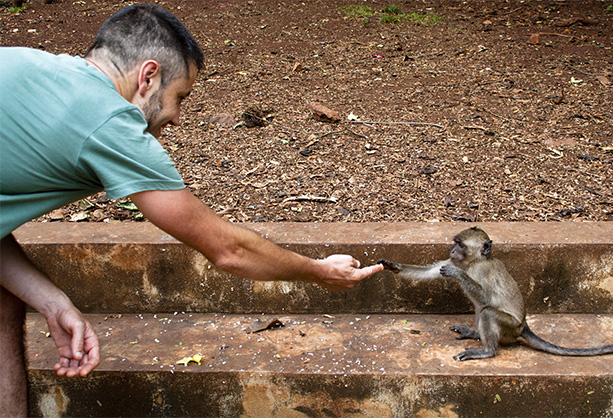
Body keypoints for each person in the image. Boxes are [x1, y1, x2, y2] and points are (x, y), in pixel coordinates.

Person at [0, 4, 383, 415]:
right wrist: (321, 271)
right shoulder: (110, 124)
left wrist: (53, 302)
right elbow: (229, 251)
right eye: (179, 97)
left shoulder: (24, 63)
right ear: (147, 77)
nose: (178, 118)